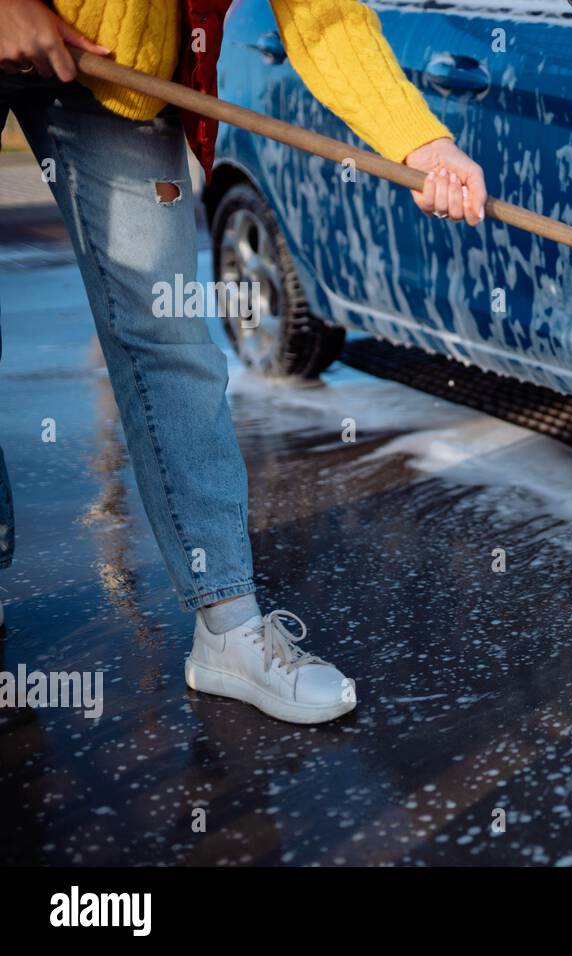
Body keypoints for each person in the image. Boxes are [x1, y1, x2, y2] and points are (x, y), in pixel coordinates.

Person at [0, 0, 488, 723]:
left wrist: (420, 142)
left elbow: (323, 15)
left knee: (169, 339)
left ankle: (227, 631)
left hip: (117, 68)